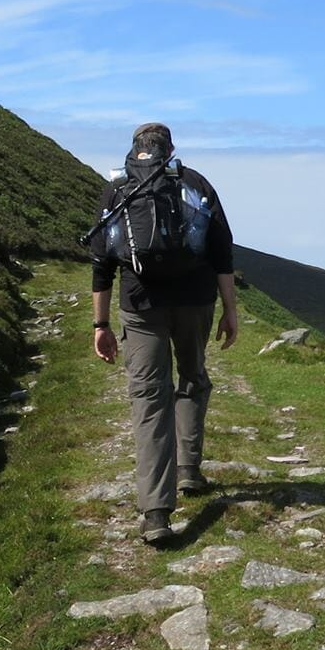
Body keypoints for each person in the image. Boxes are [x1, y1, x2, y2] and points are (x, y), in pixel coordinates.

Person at [89, 122, 239, 538]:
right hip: (195, 300)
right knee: (192, 378)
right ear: (171, 149)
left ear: (134, 149)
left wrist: (100, 324)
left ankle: (156, 511)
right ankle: (189, 469)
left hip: (139, 306)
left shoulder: (117, 190)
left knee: (149, 400)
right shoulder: (195, 183)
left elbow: (101, 263)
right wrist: (231, 310)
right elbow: (222, 251)